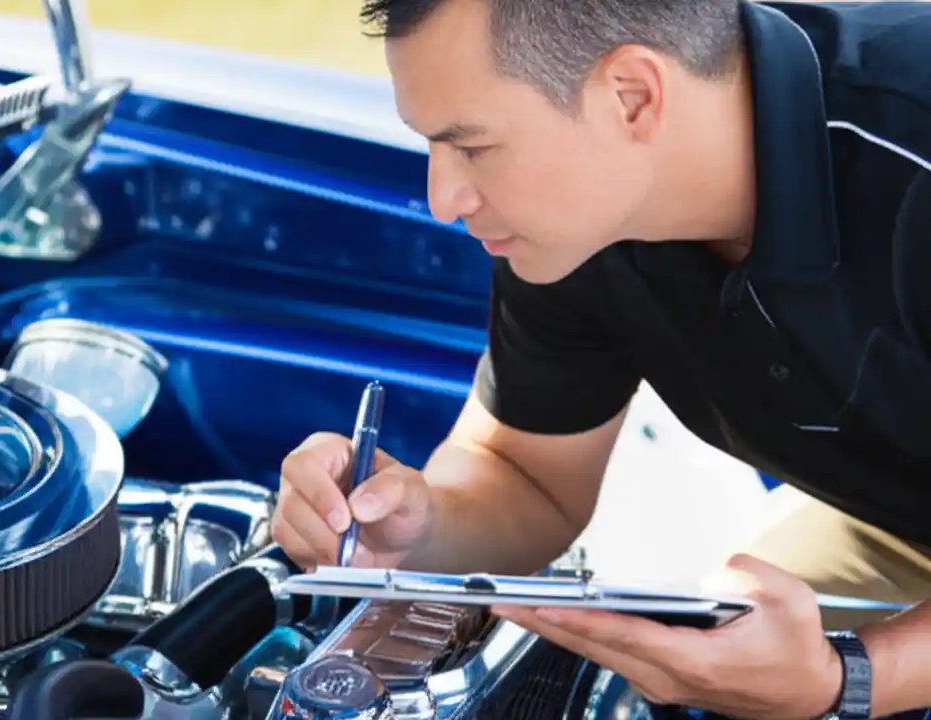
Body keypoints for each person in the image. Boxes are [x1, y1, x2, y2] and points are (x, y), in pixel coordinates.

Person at [271, 0, 931, 717]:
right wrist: (413, 532)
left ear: (633, 96)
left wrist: (850, 679)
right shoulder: (576, 223)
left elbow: (841, 678)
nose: (442, 200)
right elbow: (525, 473)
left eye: (473, 147)